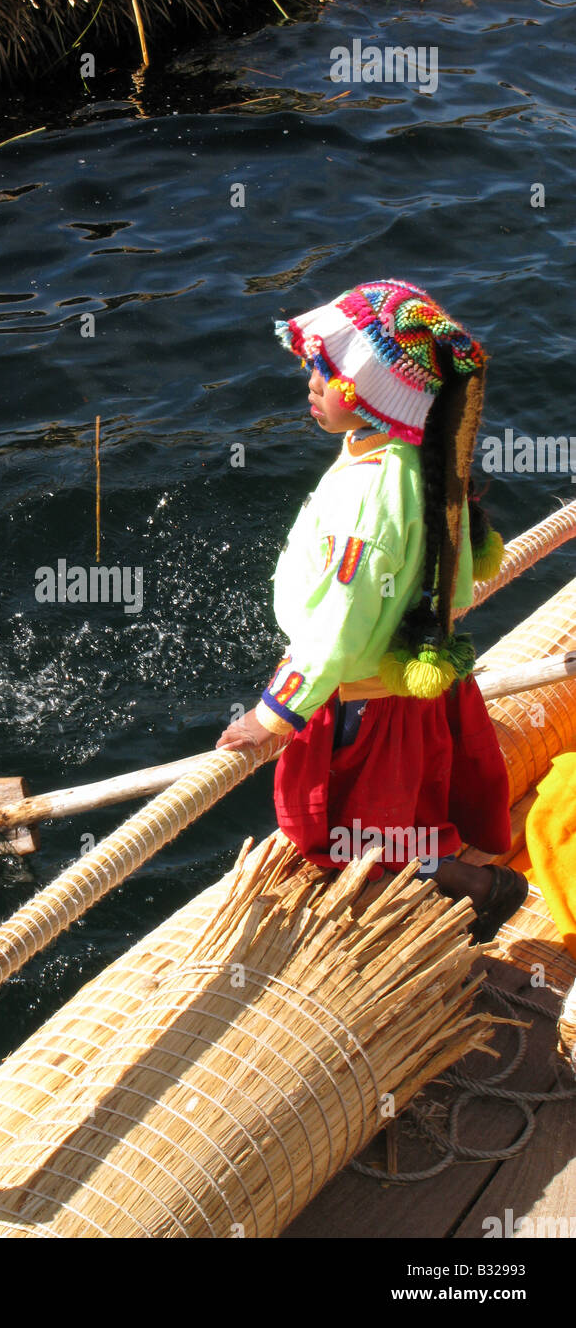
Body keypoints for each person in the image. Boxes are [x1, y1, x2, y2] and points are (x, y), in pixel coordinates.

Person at [216, 278, 525, 944]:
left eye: (325, 371)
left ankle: (468, 891)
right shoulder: (409, 456)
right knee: (397, 811)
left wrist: (270, 717)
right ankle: (461, 882)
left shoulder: (372, 494)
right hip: (392, 680)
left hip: (359, 696)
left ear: (372, 395)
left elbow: (341, 622)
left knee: (356, 824)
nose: (311, 380)